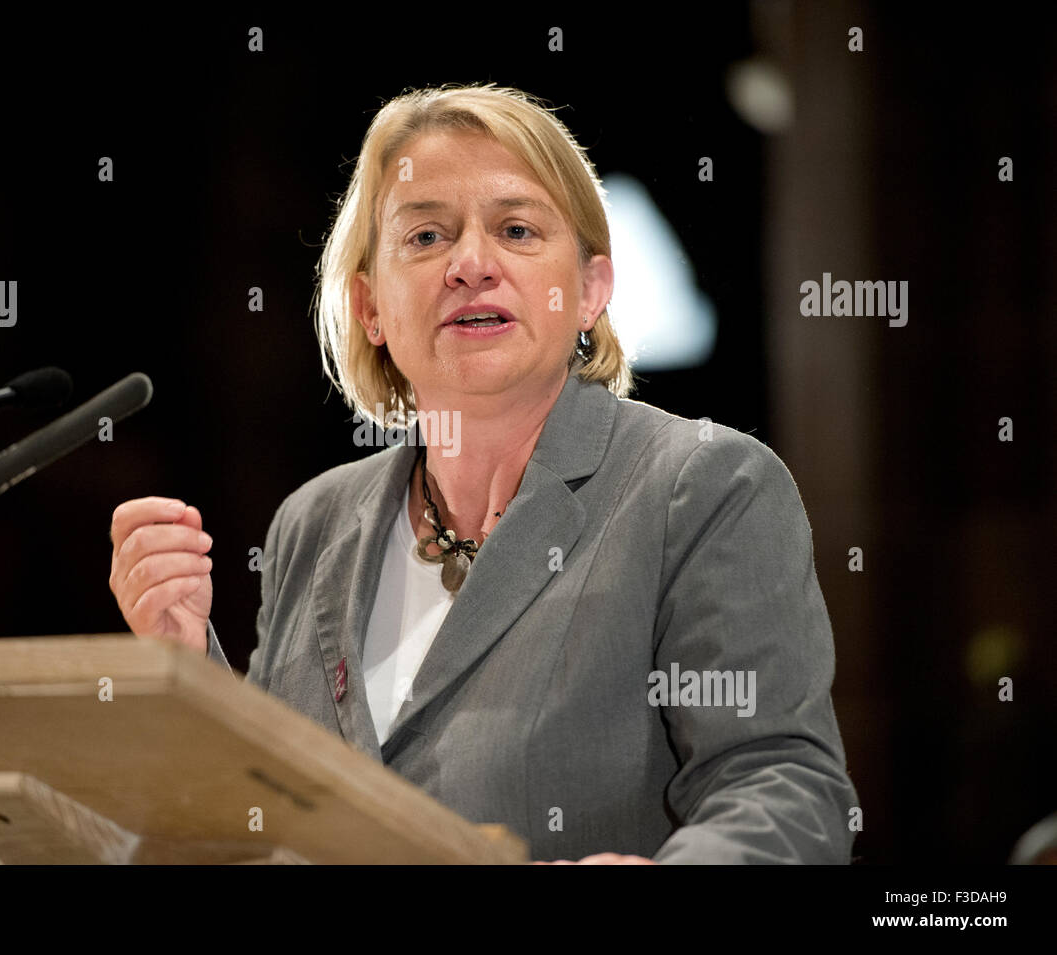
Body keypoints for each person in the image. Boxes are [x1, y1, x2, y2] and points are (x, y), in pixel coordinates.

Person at [109, 84, 858, 864]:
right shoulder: (315, 522)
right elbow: (264, 823)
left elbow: (787, 791)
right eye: (426, 235)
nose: (471, 265)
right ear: (370, 305)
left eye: (517, 229)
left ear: (591, 292)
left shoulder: (701, 486)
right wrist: (186, 671)